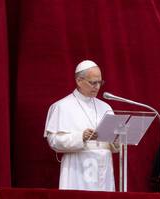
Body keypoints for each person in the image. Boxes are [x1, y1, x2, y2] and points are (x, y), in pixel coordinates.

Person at [44, 60, 118, 191]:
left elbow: (115, 143)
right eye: (93, 82)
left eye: (100, 82)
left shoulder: (106, 107)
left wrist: (119, 139)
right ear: (79, 81)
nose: (97, 87)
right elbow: (53, 141)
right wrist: (80, 137)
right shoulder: (62, 106)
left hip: (104, 168)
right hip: (77, 168)